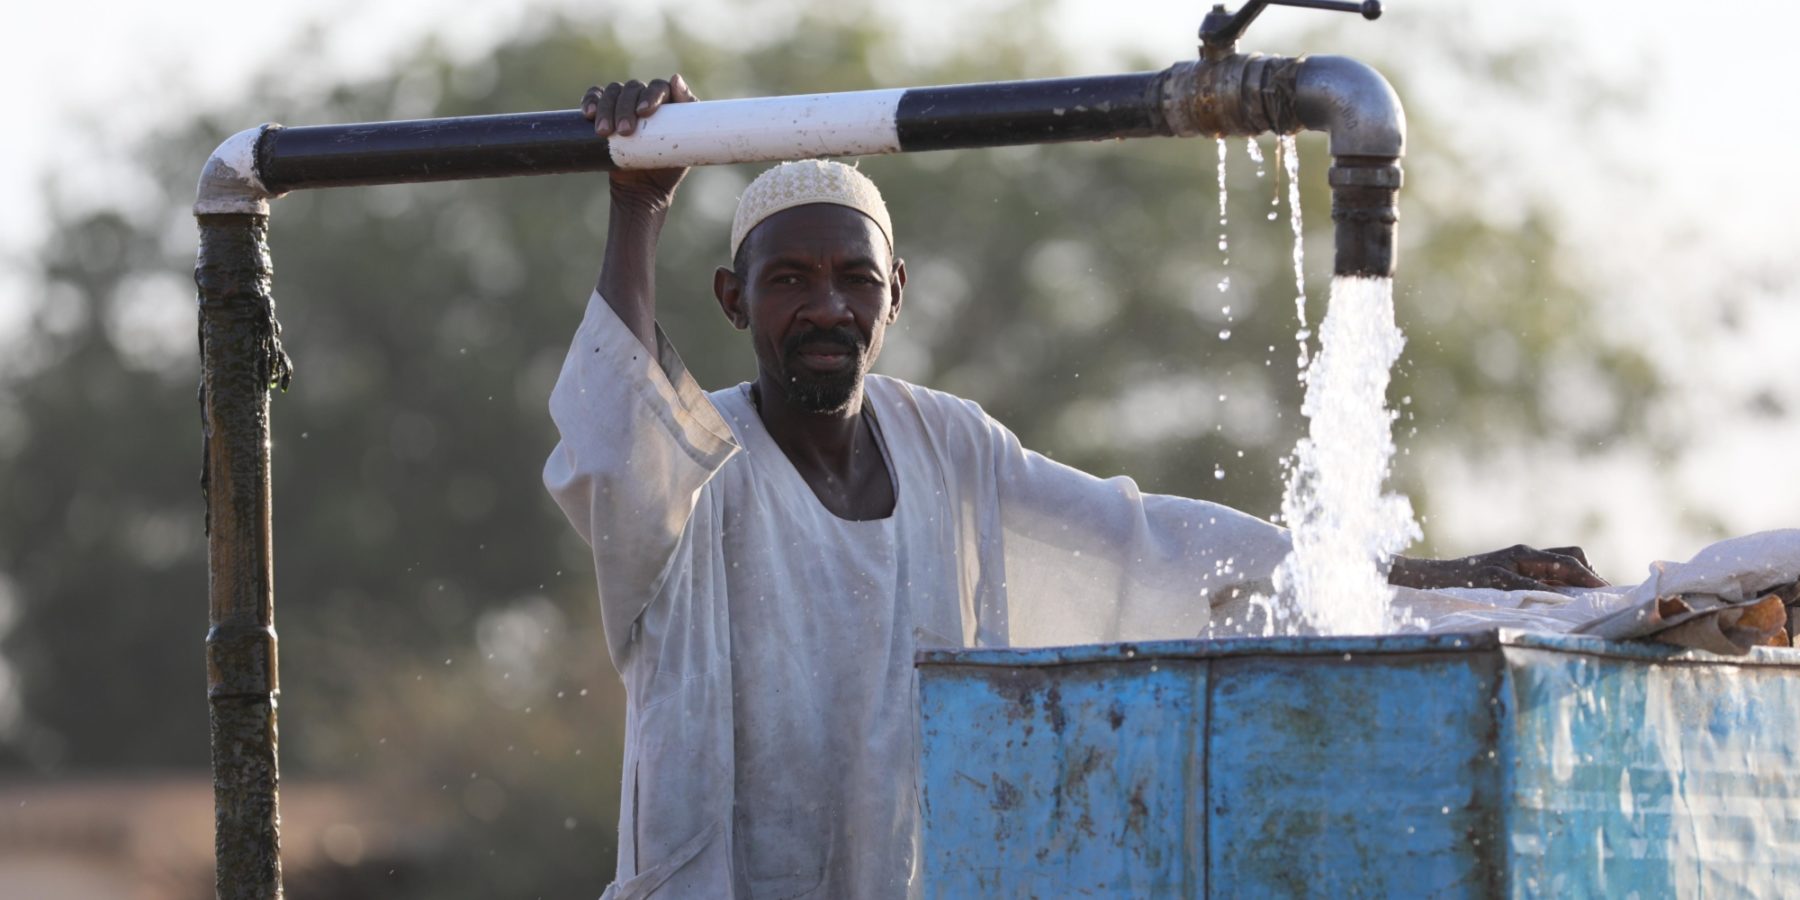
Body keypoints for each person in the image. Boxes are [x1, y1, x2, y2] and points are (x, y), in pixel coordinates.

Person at [544, 75, 1607, 899]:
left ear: (895, 297)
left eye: (853, 277)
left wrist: (1440, 576)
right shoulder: (695, 456)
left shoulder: (945, 445)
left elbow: (1163, 548)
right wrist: (637, 203)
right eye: (789, 280)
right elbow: (614, 446)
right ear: (734, 300)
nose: (826, 305)